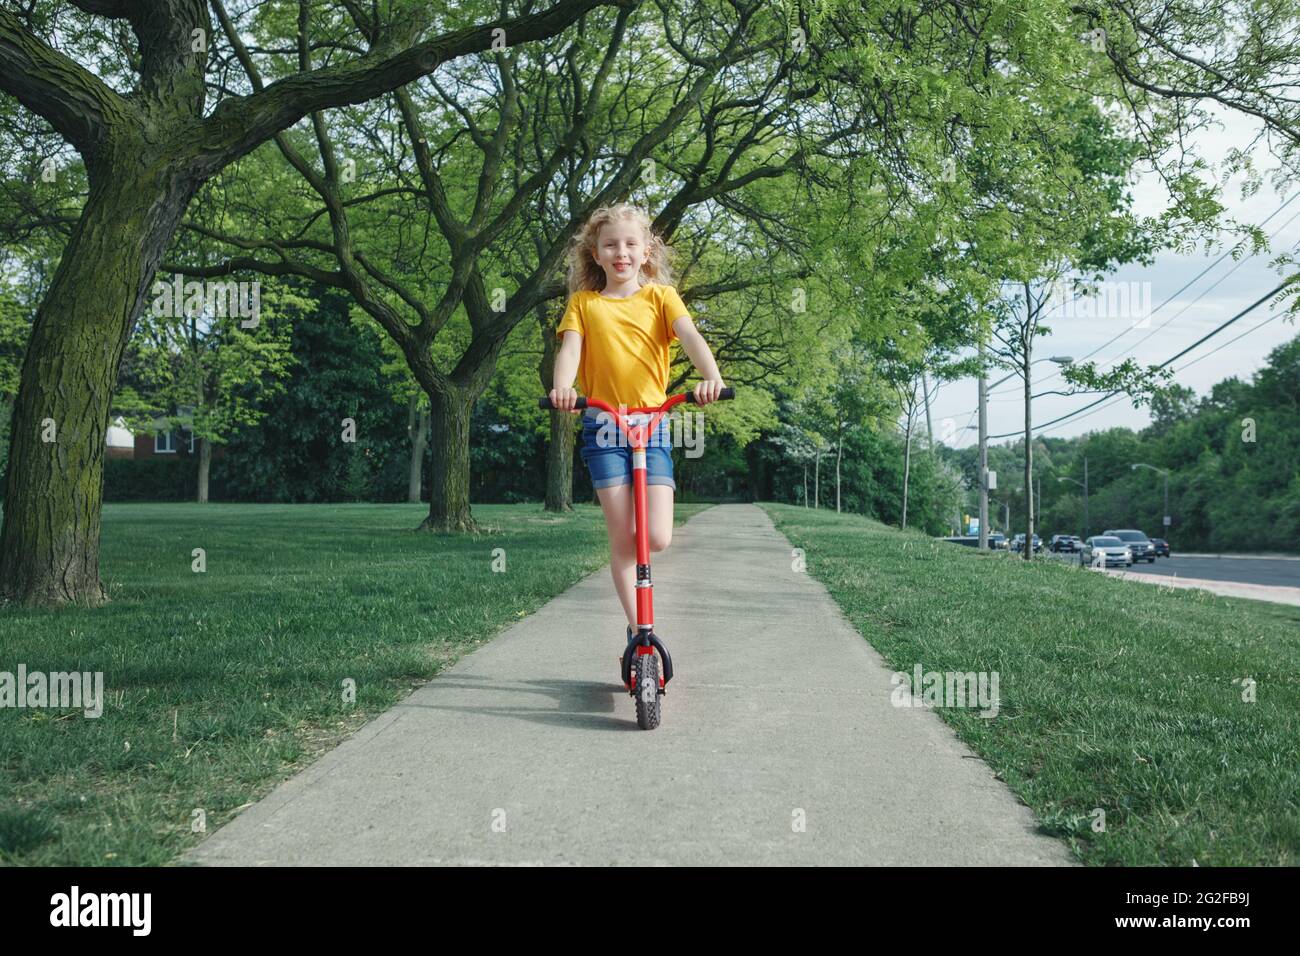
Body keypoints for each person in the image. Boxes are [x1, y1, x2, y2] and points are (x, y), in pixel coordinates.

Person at [548, 202, 726, 653]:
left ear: (647, 250)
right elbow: (569, 351)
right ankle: (641, 631)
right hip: (604, 428)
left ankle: (639, 627)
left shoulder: (661, 298)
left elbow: (690, 336)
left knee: (657, 537)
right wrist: (563, 389)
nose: (621, 252)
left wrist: (711, 378)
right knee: (624, 536)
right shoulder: (584, 304)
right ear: (595, 252)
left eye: (630, 244)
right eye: (611, 245)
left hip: (653, 427)